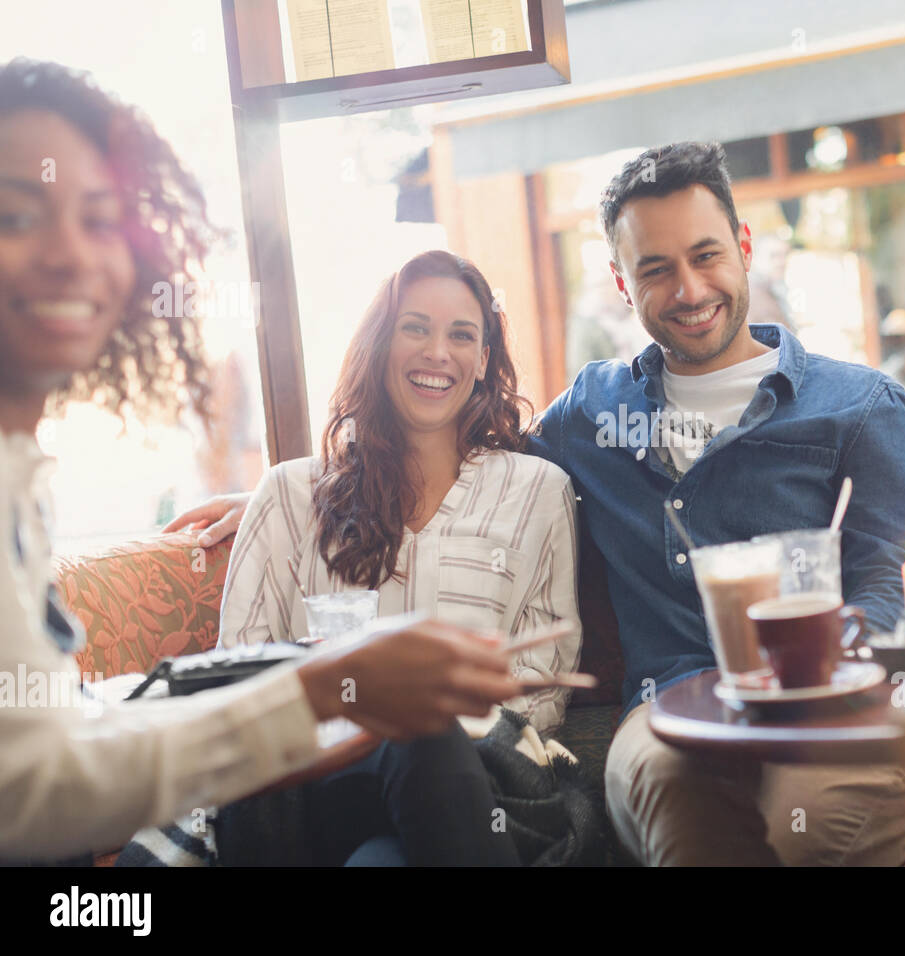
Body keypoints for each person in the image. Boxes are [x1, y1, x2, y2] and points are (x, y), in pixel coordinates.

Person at [177, 142, 905, 866]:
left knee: (792, 829)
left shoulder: (858, 408)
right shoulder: (592, 412)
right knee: (685, 817)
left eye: (705, 255)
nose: (688, 289)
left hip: (825, 706)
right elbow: (465, 452)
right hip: (671, 718)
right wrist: (306, 486)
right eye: (655, 268)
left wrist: (813, 667)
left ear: (742, 244)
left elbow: (892, 589)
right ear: (621, 283)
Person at [0, 58, 526, 863]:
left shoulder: (20, 475)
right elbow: (28, 793)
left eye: (99, 218)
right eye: (16, 215)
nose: (70, 253)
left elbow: (47, 746)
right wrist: (317, 686)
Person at [214, 250, 580, 864]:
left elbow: (544, 685)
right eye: (415, 327)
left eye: (461, 335)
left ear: (483, 360)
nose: (438, 351)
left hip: (478, 783)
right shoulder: (288, 494)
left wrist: (442, 717)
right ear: (381, 344)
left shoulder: (537, 491)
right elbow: (240, 672)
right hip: (312, 783)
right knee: (412, 722)